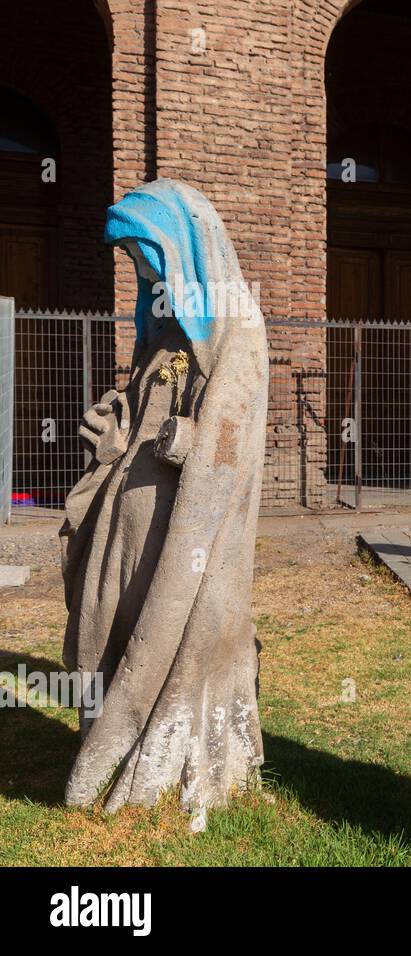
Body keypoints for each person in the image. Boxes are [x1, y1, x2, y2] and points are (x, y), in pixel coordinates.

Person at [61, 179, 267, 826]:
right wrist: (113, 431)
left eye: (151, 258)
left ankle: (156, 758)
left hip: (178, 545)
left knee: (159, 644)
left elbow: (228, 451)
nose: (145, 274)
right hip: (124, 530)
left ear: (186, 251)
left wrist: (188, 442)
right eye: (135, 263)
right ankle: (107, 739)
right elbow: (137, 415)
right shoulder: (166, 334)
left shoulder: (237, 333)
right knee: (104, 627)